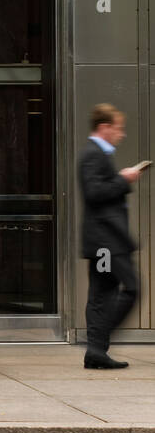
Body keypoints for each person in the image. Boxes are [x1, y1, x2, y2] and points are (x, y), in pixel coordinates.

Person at [79, 103, 144, 369]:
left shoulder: (97, 154)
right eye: (118, 128)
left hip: (104, 241)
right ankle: (97, 343)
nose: (122, 134)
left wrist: (118, 179)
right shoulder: (94, 154)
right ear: (104, 128)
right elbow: (94, 193)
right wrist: (124, 179)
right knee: (132, 288)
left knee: (101, 293)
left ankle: (95, 353)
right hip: (107, 242)